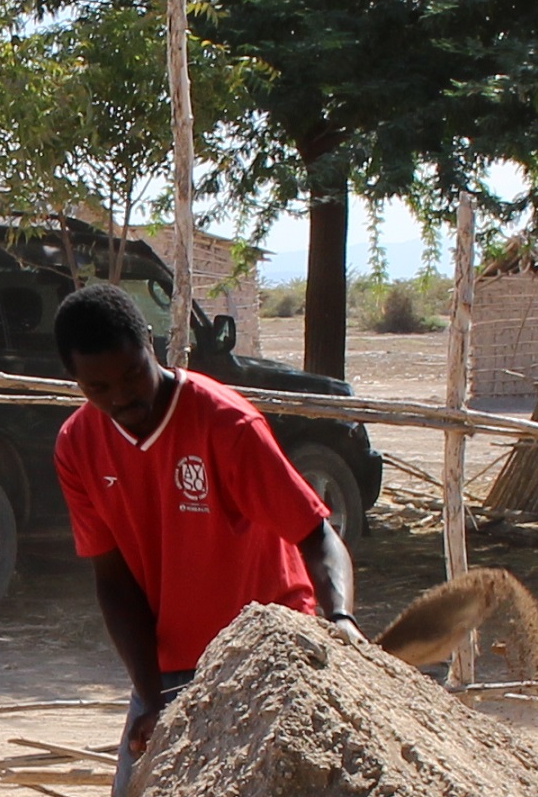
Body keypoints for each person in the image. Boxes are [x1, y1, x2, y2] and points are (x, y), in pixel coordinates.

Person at [51, 280, 358, 765]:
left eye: (133, 375)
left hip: (268, 657)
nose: (123, 398)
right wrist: (151, 699)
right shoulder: (77, 446)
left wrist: (340, 619)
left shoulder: (226, 426)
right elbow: (113, 583)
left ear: (150, 345)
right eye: (99, 389)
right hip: (171, 667)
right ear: (77, 384)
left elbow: (316, 535)